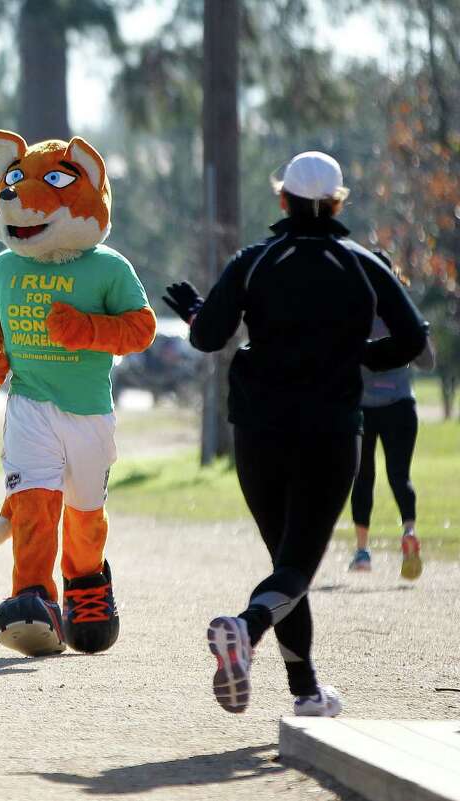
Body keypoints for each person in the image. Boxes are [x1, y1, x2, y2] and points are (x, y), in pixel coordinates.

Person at [163, 151, 427, 717]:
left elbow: (209, 337)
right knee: (296, 565)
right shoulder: (360, 262)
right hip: (328, 430)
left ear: (282, 200)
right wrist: (355, 354)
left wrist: (194, 310)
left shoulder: (255, 260)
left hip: (257, 428)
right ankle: (246, 629)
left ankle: (306, 692)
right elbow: (411, 340)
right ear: (337, 203)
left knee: (285, 559)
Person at [349, 268, 436, 578]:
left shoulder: (354, 314)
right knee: (400, 474)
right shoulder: (402, 314)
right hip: (401, 405)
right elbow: (428, 362)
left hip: (363, 408)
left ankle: (362, 552)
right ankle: (409, 531)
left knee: (362, 477)